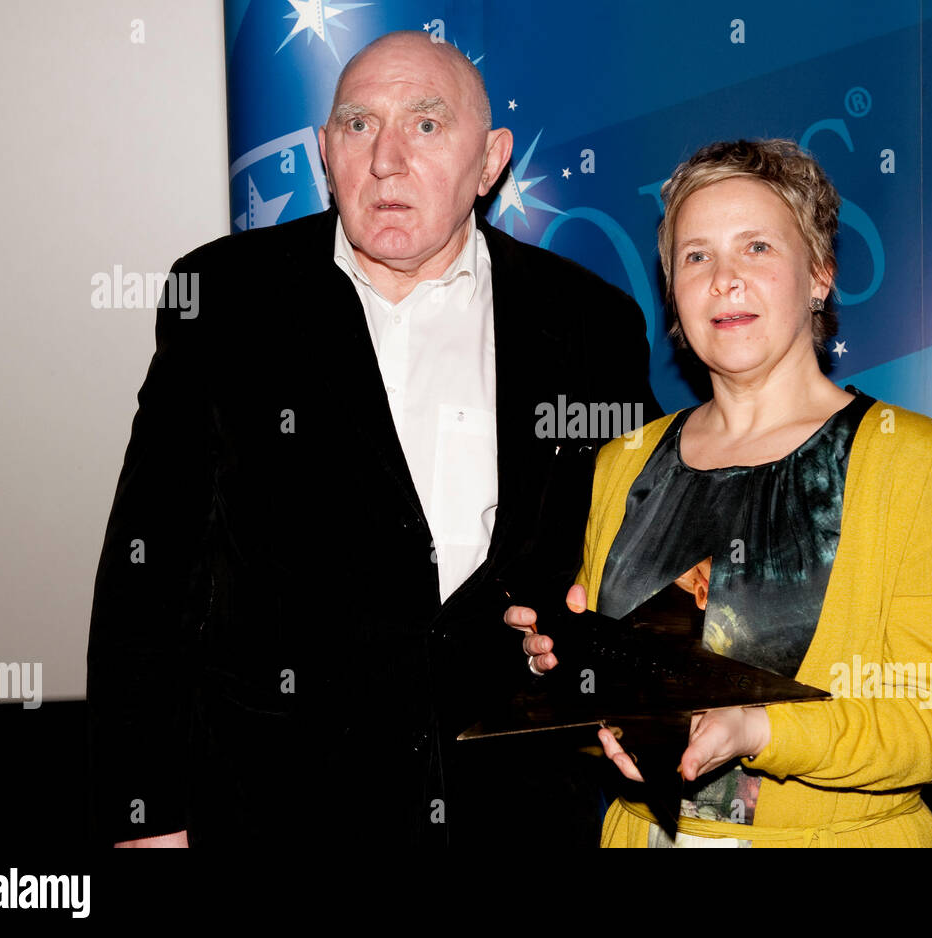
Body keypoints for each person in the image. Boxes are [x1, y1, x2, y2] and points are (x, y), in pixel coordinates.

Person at [87, 30, 659, 849]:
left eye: (426, 126)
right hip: (281, 808)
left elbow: (630, 552)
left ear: (491, 159)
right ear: (326, 151)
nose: (386, 158)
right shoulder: (226, 300)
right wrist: (145, 818)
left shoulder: (589, 322)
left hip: (522, 809)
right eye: (358, 126)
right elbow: (147, 578)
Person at [508, 138, 932, 847]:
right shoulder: (624, 461)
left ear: (819, 275)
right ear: (673, 296)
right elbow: (615, 702)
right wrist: (569, 682)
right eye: (696, 255)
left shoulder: (912, 461)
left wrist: (760, 728)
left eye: (757, 249)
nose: (724, 280)